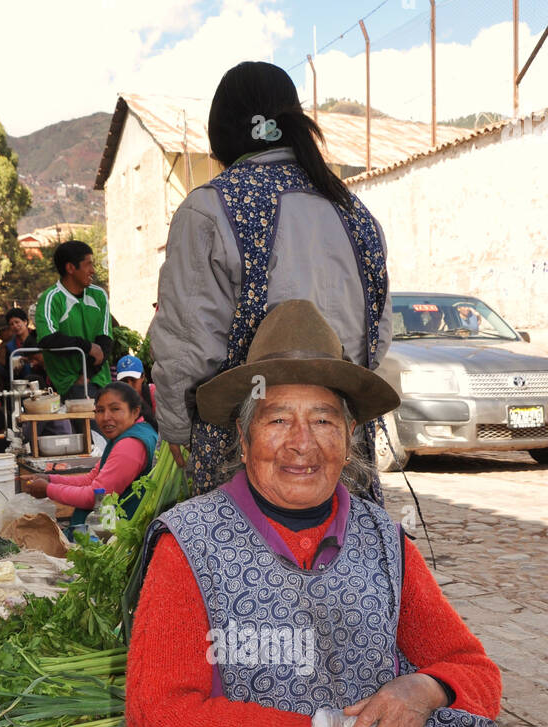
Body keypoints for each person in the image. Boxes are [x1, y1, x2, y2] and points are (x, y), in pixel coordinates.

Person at [123, 301, 548, 727]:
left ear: (349, 440)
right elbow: (161, 718)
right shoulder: (191, 543)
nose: (301, 444)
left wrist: (425, 688)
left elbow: (475, 672)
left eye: (324, 421)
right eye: (277, 419)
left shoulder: (383, 542)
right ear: (242, 439)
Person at [149, 61, 393, 497]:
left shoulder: (210, 208)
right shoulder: (356, 213)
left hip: (243, 449)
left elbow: (188, 346)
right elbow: (376, 340)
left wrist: (176, 427)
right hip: (338, 445)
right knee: (336, 554)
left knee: (244, 559)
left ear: (220, 132)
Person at [23, 381, 157, 528]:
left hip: (119, 532)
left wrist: (48, 489)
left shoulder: (131, 444)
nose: (106, 417)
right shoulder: (130, 433)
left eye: (115, 409)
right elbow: (92, 478)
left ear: (135, 411)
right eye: (99, 410)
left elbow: (97, 496)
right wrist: (50, 479)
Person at [35, 240, 112, 404]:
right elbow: (47, 339)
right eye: (88, 264)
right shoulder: (51, 298)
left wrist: (87, 376)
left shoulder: (99, 295)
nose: (93, 270)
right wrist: (87, 346)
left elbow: (105, 341)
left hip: (100, 380)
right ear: (70, 268)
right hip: (70, 384)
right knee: (92, 430)